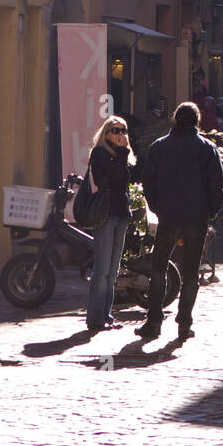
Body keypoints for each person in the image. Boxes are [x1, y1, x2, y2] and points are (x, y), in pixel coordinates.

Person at [135, 101, 223, 342]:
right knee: (191, 273)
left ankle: (154, 322)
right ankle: (184, 324)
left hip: (169, 216)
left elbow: (148, 183)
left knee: (158, 268)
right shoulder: (207, 148)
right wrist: (210, 213)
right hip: (196, 217)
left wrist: (158, 208)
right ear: (197, 120)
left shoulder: (159, 147)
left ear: (175, 118)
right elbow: (217, 185)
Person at [85, 115, 139, 333]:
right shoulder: (100, 154)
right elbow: (112, 180)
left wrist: (124, 154)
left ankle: (106, 316)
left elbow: (124, 185)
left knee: (113, 271)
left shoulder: (121, 156)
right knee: (102, 270)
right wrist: (123, 153)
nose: (120, 135)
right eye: (115, 130)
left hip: (121, 216)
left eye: (123, 131)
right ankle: (95, 318)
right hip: (106, 216)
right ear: (106, 133)